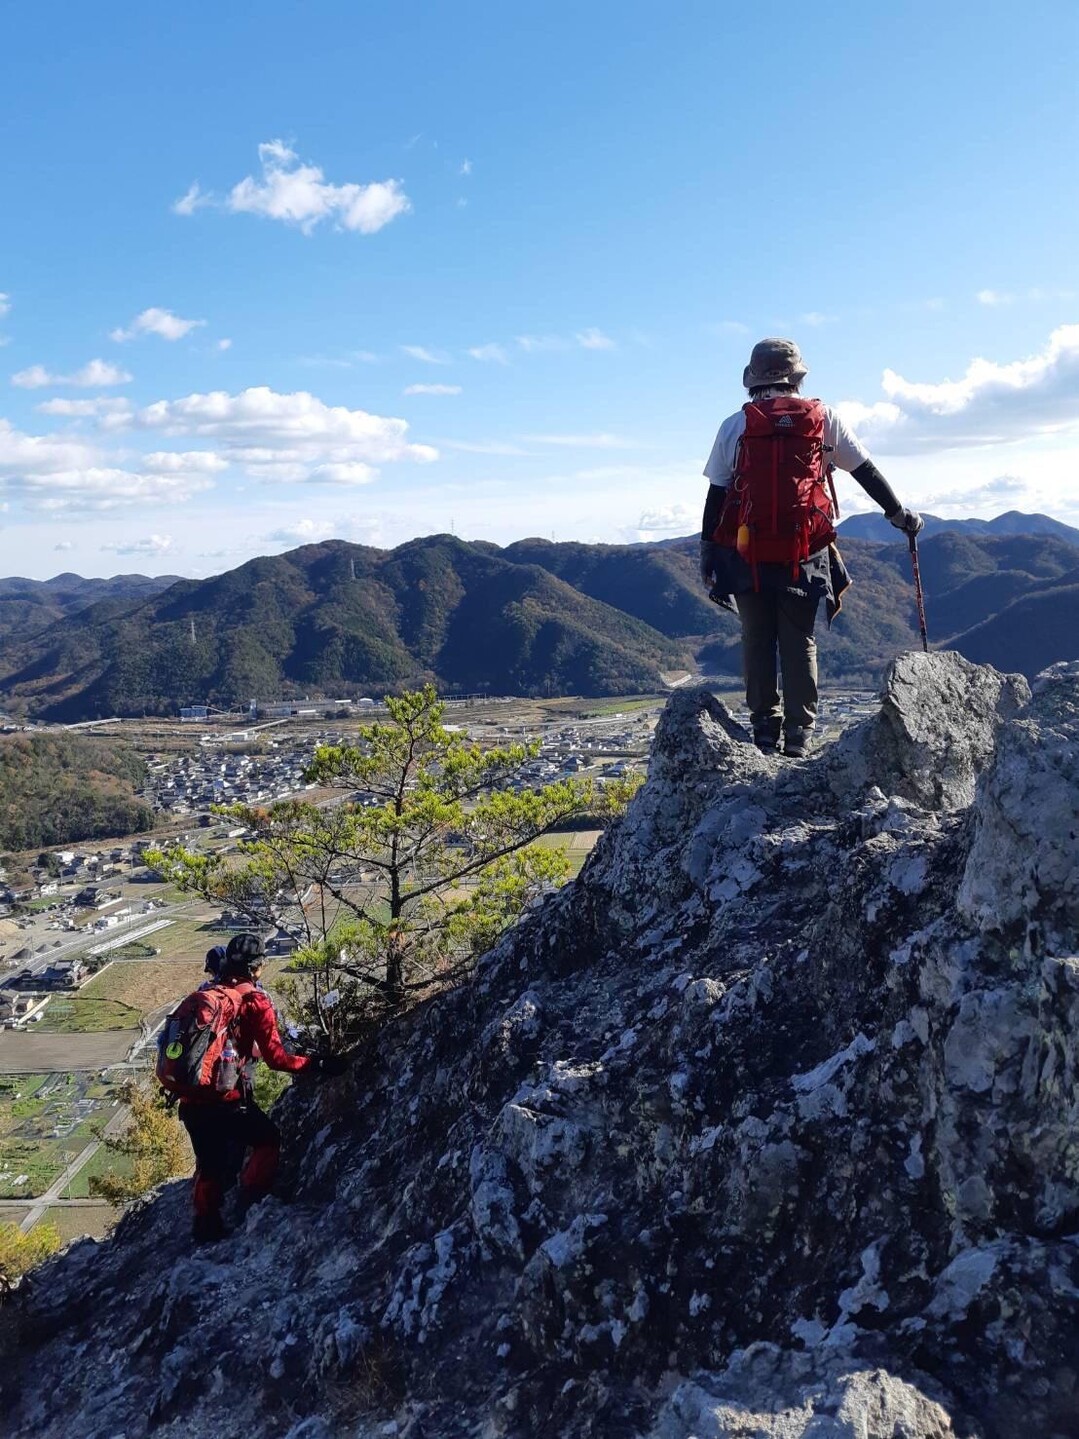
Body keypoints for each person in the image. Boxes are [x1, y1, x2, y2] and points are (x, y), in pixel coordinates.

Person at [700, 338, 923, 758]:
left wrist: (707, 550)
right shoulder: (825, 419)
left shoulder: (736, 424)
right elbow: (866, 472)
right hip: (805, 550)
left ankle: (764, 730)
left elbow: (717, 494)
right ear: (797, 377)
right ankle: (799, 736)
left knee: (756, 638)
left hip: (745, 550)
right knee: (799, 639)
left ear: (753, 380)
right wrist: (899, 515)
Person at [178, 931, 346, 1243]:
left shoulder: (208, 993)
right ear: (258, 967)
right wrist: (316, 1064)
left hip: (191, 1097)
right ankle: (251, 1199)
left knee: (210, 1162)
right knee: (267, 1140)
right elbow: (277, 1059)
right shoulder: (255, 1000)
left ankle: (205, 1224)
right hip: (227, 1100)